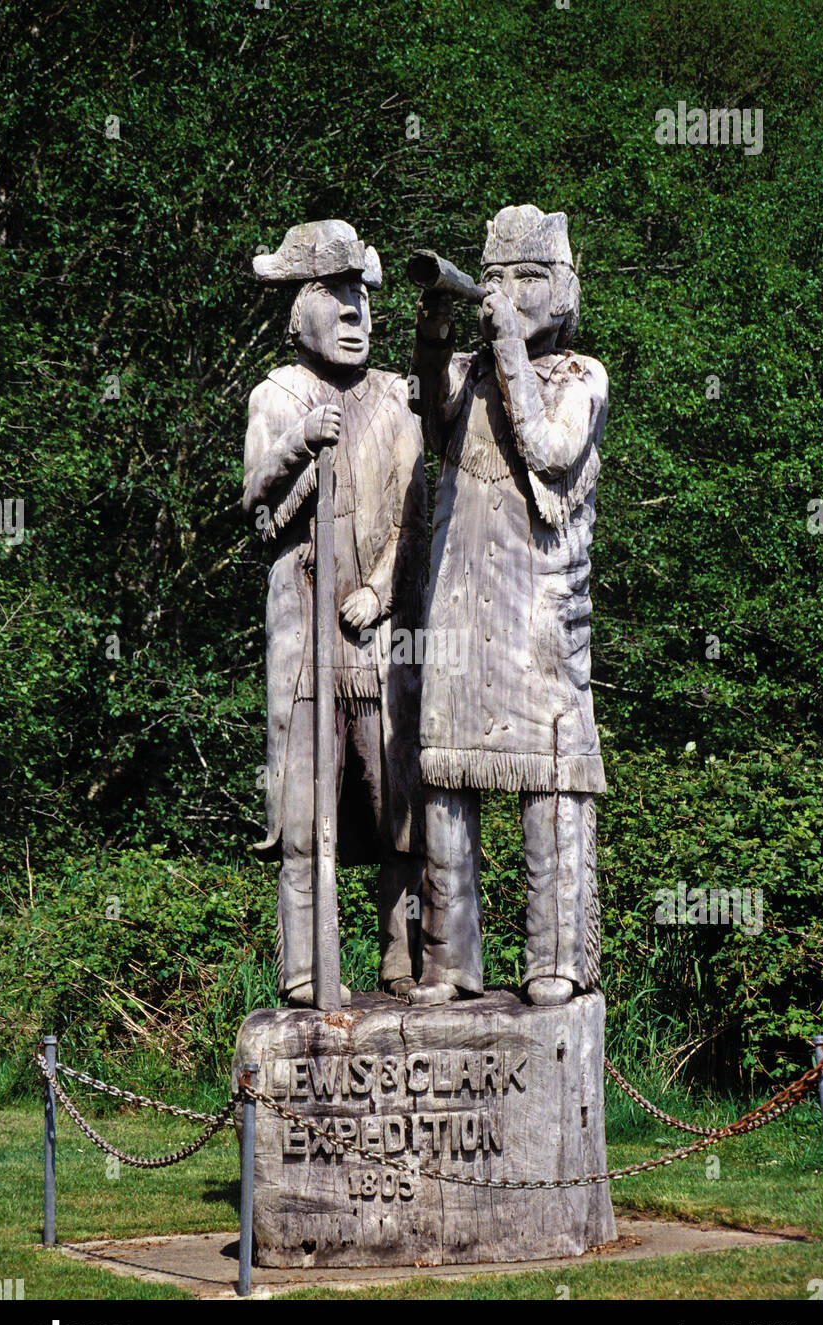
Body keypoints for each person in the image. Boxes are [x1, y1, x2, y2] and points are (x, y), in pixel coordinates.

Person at [408, 204, 608, 1007]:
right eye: (494, 277)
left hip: (540, 618)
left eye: (528, 277)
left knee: (551, 783)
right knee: (446, 782)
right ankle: (449, 961)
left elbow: (551, 451)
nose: (508, 293)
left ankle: (553, 957)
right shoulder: (468, 374)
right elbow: (426, 411)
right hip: (459, 611)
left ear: (563, 290)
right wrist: (433, 331)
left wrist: (509, 353)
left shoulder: (581, 376)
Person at [243, 220, 426, 1006]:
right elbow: (258, 513)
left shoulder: (394, 396)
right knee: (303, 805)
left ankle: (403, 959)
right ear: (298, 306)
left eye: (361, 292)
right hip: (302, 637)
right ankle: (307, 967)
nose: (354, 310)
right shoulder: (276, 394)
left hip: (379, 639)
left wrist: (382, 590)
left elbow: (417, 514)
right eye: (333, 291)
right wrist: (297, 449)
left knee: (398, 800)